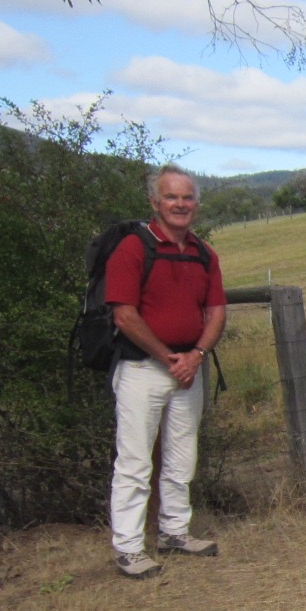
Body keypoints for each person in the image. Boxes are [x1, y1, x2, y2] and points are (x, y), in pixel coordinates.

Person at [105, 163, 227, 578]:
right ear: (154, 203)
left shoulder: (203, 253)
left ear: (196, 203)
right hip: (143, 369)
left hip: (187, 370)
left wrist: (194, 355)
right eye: (171, 197)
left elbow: (215, 312)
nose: (180, 204)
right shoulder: (133, 249)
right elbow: (124, 316)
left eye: (187, 197)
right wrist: (168, 357)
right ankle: (128, 547)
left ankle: (175, 531)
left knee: (181, 457)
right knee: (135, 460)